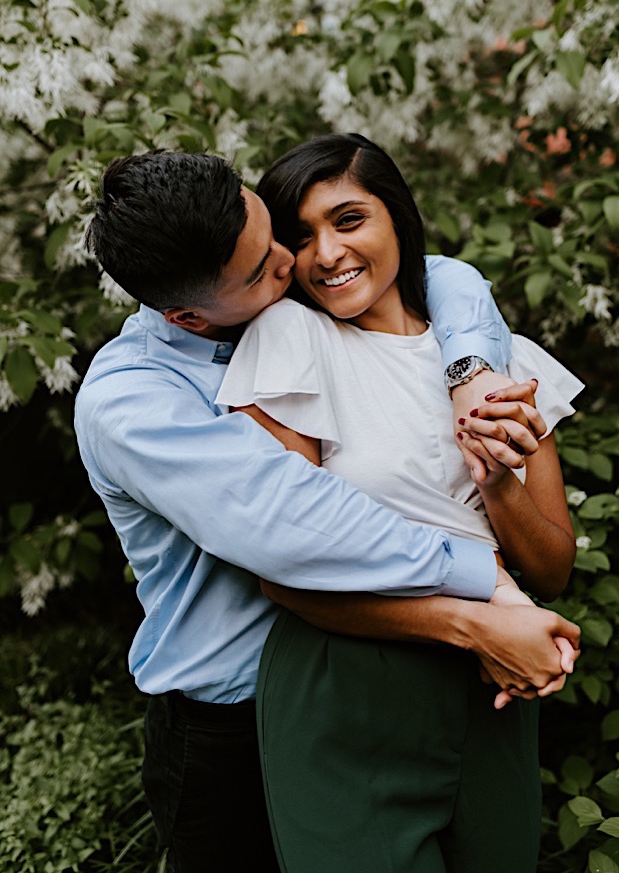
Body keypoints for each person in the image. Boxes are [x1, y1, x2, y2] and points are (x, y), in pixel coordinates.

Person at [74, 150, 579, 873]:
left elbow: (440, 274)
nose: (293, 262)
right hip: (232, 720)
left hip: (393, 678)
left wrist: (469, 369)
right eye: (266, 265)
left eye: (273, 233)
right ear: (186, 316)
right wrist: (490, 590)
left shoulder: (287, 299)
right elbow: (302, 524)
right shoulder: (134, 405)